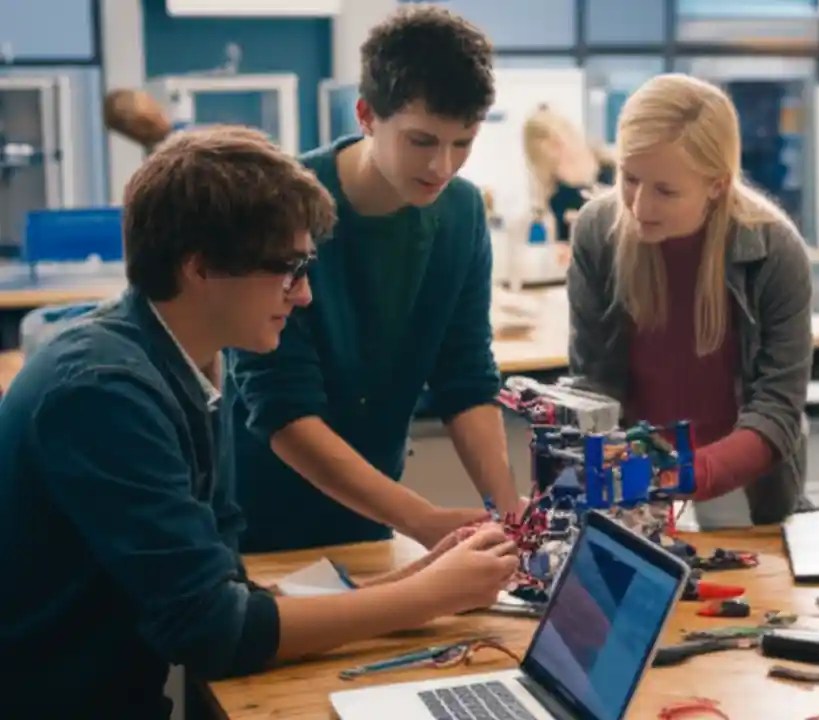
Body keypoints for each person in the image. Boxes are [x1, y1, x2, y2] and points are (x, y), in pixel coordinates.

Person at [0, 126, 518, 719]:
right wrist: (426, 598)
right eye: (288, 270)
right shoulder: (103, 395)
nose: (303, 297)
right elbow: (212, 632)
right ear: (200, 268)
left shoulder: (192, 362)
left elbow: (225, 590)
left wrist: (415, 584)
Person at [222, 5, 523, 553]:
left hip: (371, 515)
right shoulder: (280, 205)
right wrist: (423, 520)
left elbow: (466, 374)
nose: (443, 166)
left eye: (463, 143)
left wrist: (510, 515)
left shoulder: (460, 212)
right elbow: (282, 407)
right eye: (422, 141)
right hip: (257, 521)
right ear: (366, 115)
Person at [567, 73, 813, 528]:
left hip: (741, 481)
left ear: (717, 185)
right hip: (634, 478)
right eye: (629, 178)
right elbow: (594, 381)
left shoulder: (774, 250)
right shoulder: (598, 232)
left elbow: (778, 410)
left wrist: (684, 475)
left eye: (666, 191)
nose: (640, 207)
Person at [523, 105, 617, 246]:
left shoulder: (609, 164)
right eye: (551, 146)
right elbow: (560, 241)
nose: (560, 150)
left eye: (558, 142)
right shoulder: (553, 193)